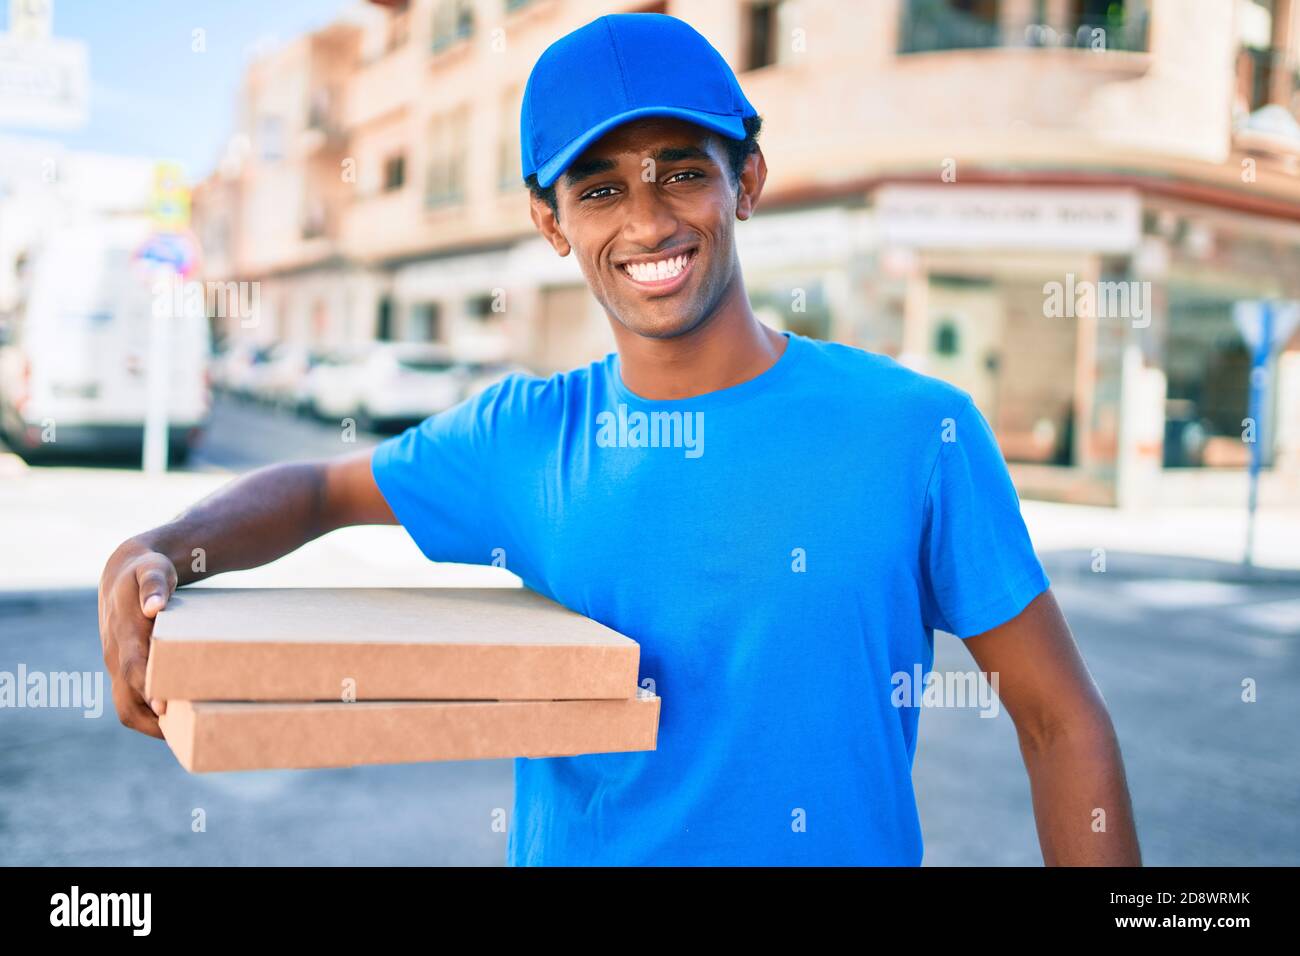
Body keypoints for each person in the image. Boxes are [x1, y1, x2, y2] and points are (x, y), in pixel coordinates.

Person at [99, 12, 1140, 866]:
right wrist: (158, 550)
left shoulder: (919, 432)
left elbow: (1060, 724)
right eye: (597, 187)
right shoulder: (523, 436)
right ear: (552, 222)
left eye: (680, 169)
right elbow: (320, 490)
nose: (645, 220)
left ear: (748, 179)